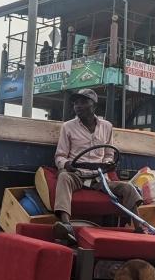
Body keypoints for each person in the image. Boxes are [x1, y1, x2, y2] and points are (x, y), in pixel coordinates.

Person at [52, 88, 143, 243]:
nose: (77, 106)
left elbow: (109, 154)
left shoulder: (107, 126)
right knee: (63, 177)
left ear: (93, 105)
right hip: (77, 173)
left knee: (128, 188)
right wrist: (67, 164)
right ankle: (66, 226)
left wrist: (108, 164)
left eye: (83, 102)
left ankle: (139, 227)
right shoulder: (68, 126)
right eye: (75, 103)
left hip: (99, 176)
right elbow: (59, 156)